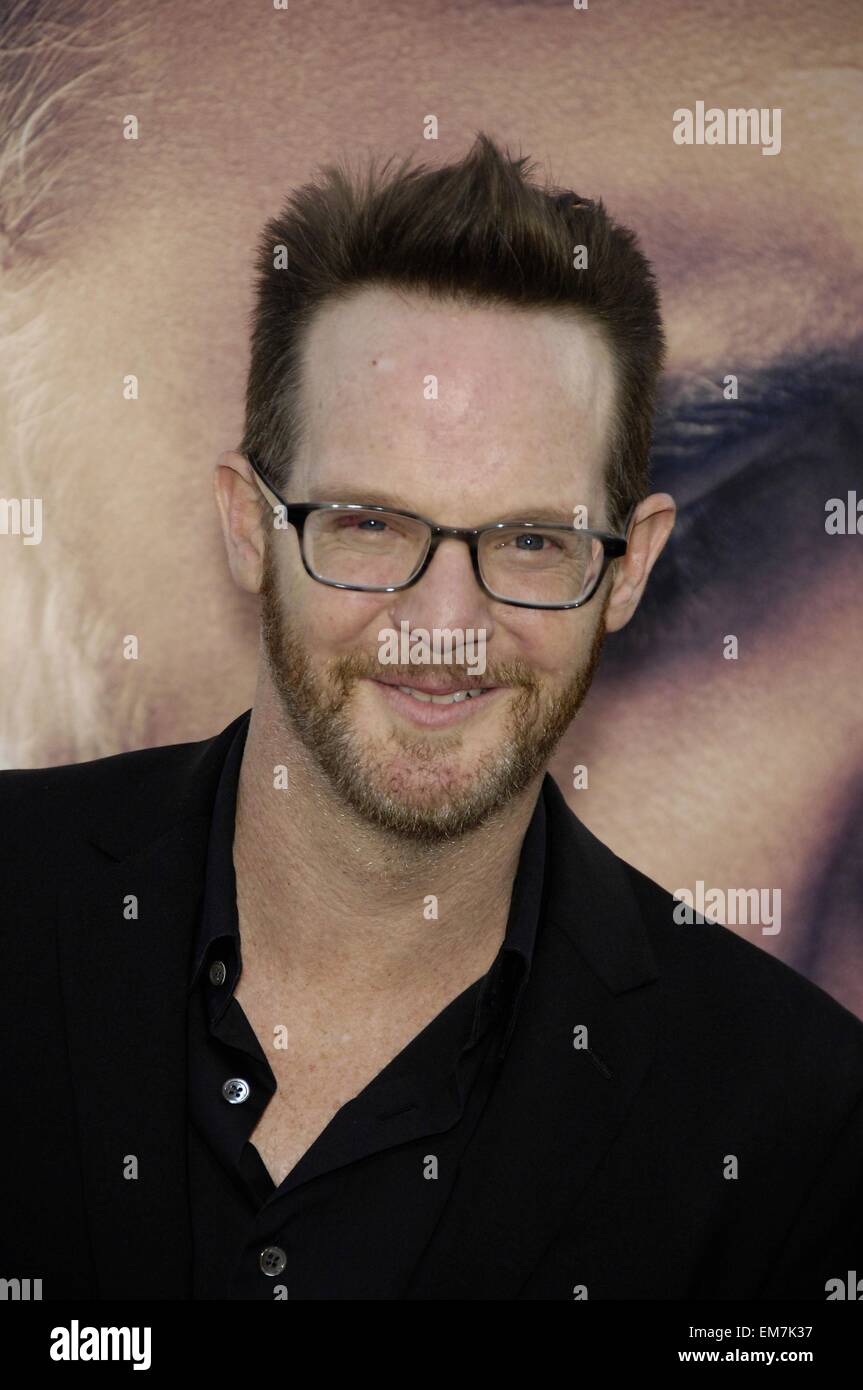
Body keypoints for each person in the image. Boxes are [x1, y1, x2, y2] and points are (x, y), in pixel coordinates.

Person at [1, 134, 861, 1301]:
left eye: (529, 541)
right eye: (368, 524)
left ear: (629, 568)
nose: (447, 622)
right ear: (250, 525)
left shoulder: (795, 1115)